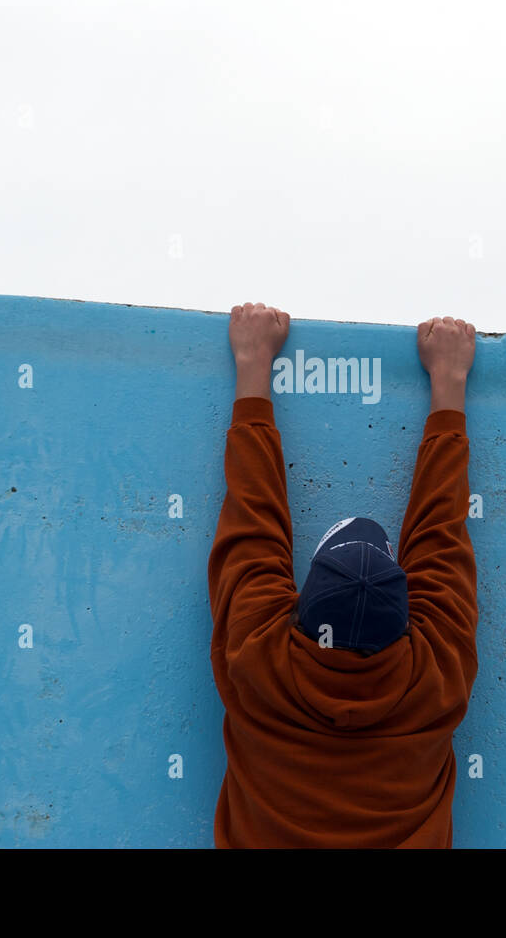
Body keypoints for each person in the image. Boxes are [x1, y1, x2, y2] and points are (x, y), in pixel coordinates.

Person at [207, 301, 478, 847]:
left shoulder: (257, 658)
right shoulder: (436, 677)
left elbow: (252, 525)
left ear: (302, 608)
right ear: (406, 620)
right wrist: (449, 384)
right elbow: (441, 537)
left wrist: (253, 364)